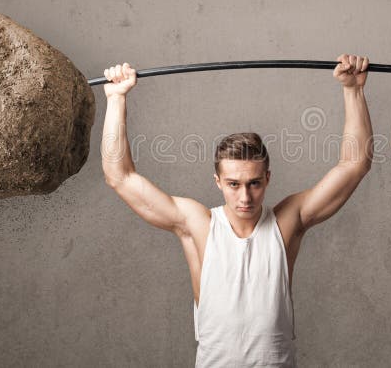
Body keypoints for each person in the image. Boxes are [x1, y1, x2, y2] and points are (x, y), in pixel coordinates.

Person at [101, 54, 373, 367]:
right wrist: (116, 99)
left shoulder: (286, 221)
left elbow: (355, 165)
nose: (245, 196)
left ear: (268, 178)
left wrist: (353, 91)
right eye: (233, 184)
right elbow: (119, 176)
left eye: (254, 183)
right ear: (217, 181)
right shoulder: (198, 225)